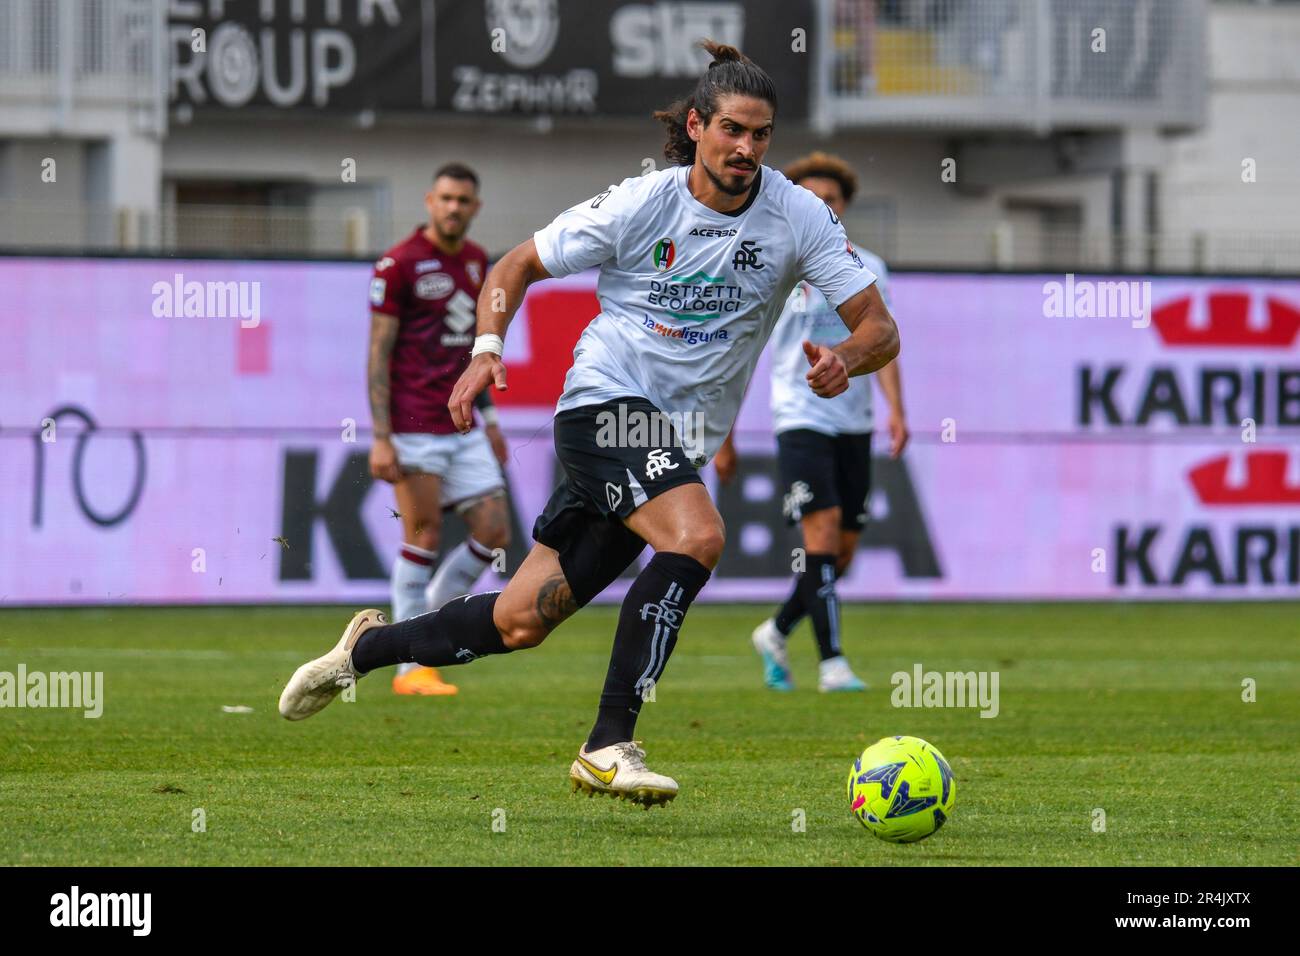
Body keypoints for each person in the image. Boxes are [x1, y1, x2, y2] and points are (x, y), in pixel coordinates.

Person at [280, 42, 899, 808]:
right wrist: (485, 351)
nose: (747, 148)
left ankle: (363, 652)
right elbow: (513, 269)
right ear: (698, 127)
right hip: (603, 406)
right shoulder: (643, 203)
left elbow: (881, 328)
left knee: (518, 621)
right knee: (698, 536)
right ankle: (609, 745)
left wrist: (846, 356)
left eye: (762, 134)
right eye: (733, 130)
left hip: (675, 444)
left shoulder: (798, 215)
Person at [714, 151, 909, 693]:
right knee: (820, 534)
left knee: (841, 551)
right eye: (813, 198)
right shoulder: (771, 266)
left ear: (843, 208)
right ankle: (833, 664)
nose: (824, 206)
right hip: (799, 418)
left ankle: (775, 631)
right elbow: (740, 356)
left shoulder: (869, 268)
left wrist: (897, 410)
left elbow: (884, 343)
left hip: (855, 420)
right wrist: (723, 437)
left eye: (833, 199)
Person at [366, 163, 511, 697]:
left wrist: (491, 418)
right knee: (423, 534)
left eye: (463, 200)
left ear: (475, 207)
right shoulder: (398, 264)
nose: (454, 208)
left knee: (494, 530)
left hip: (465, 422)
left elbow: (478, 351)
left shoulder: (477, 263)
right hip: (413, 424)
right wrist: (381, 436)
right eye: (446, 198)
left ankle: (427, 621)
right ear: (430, 201)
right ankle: (410, 667)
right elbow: (377, 355)